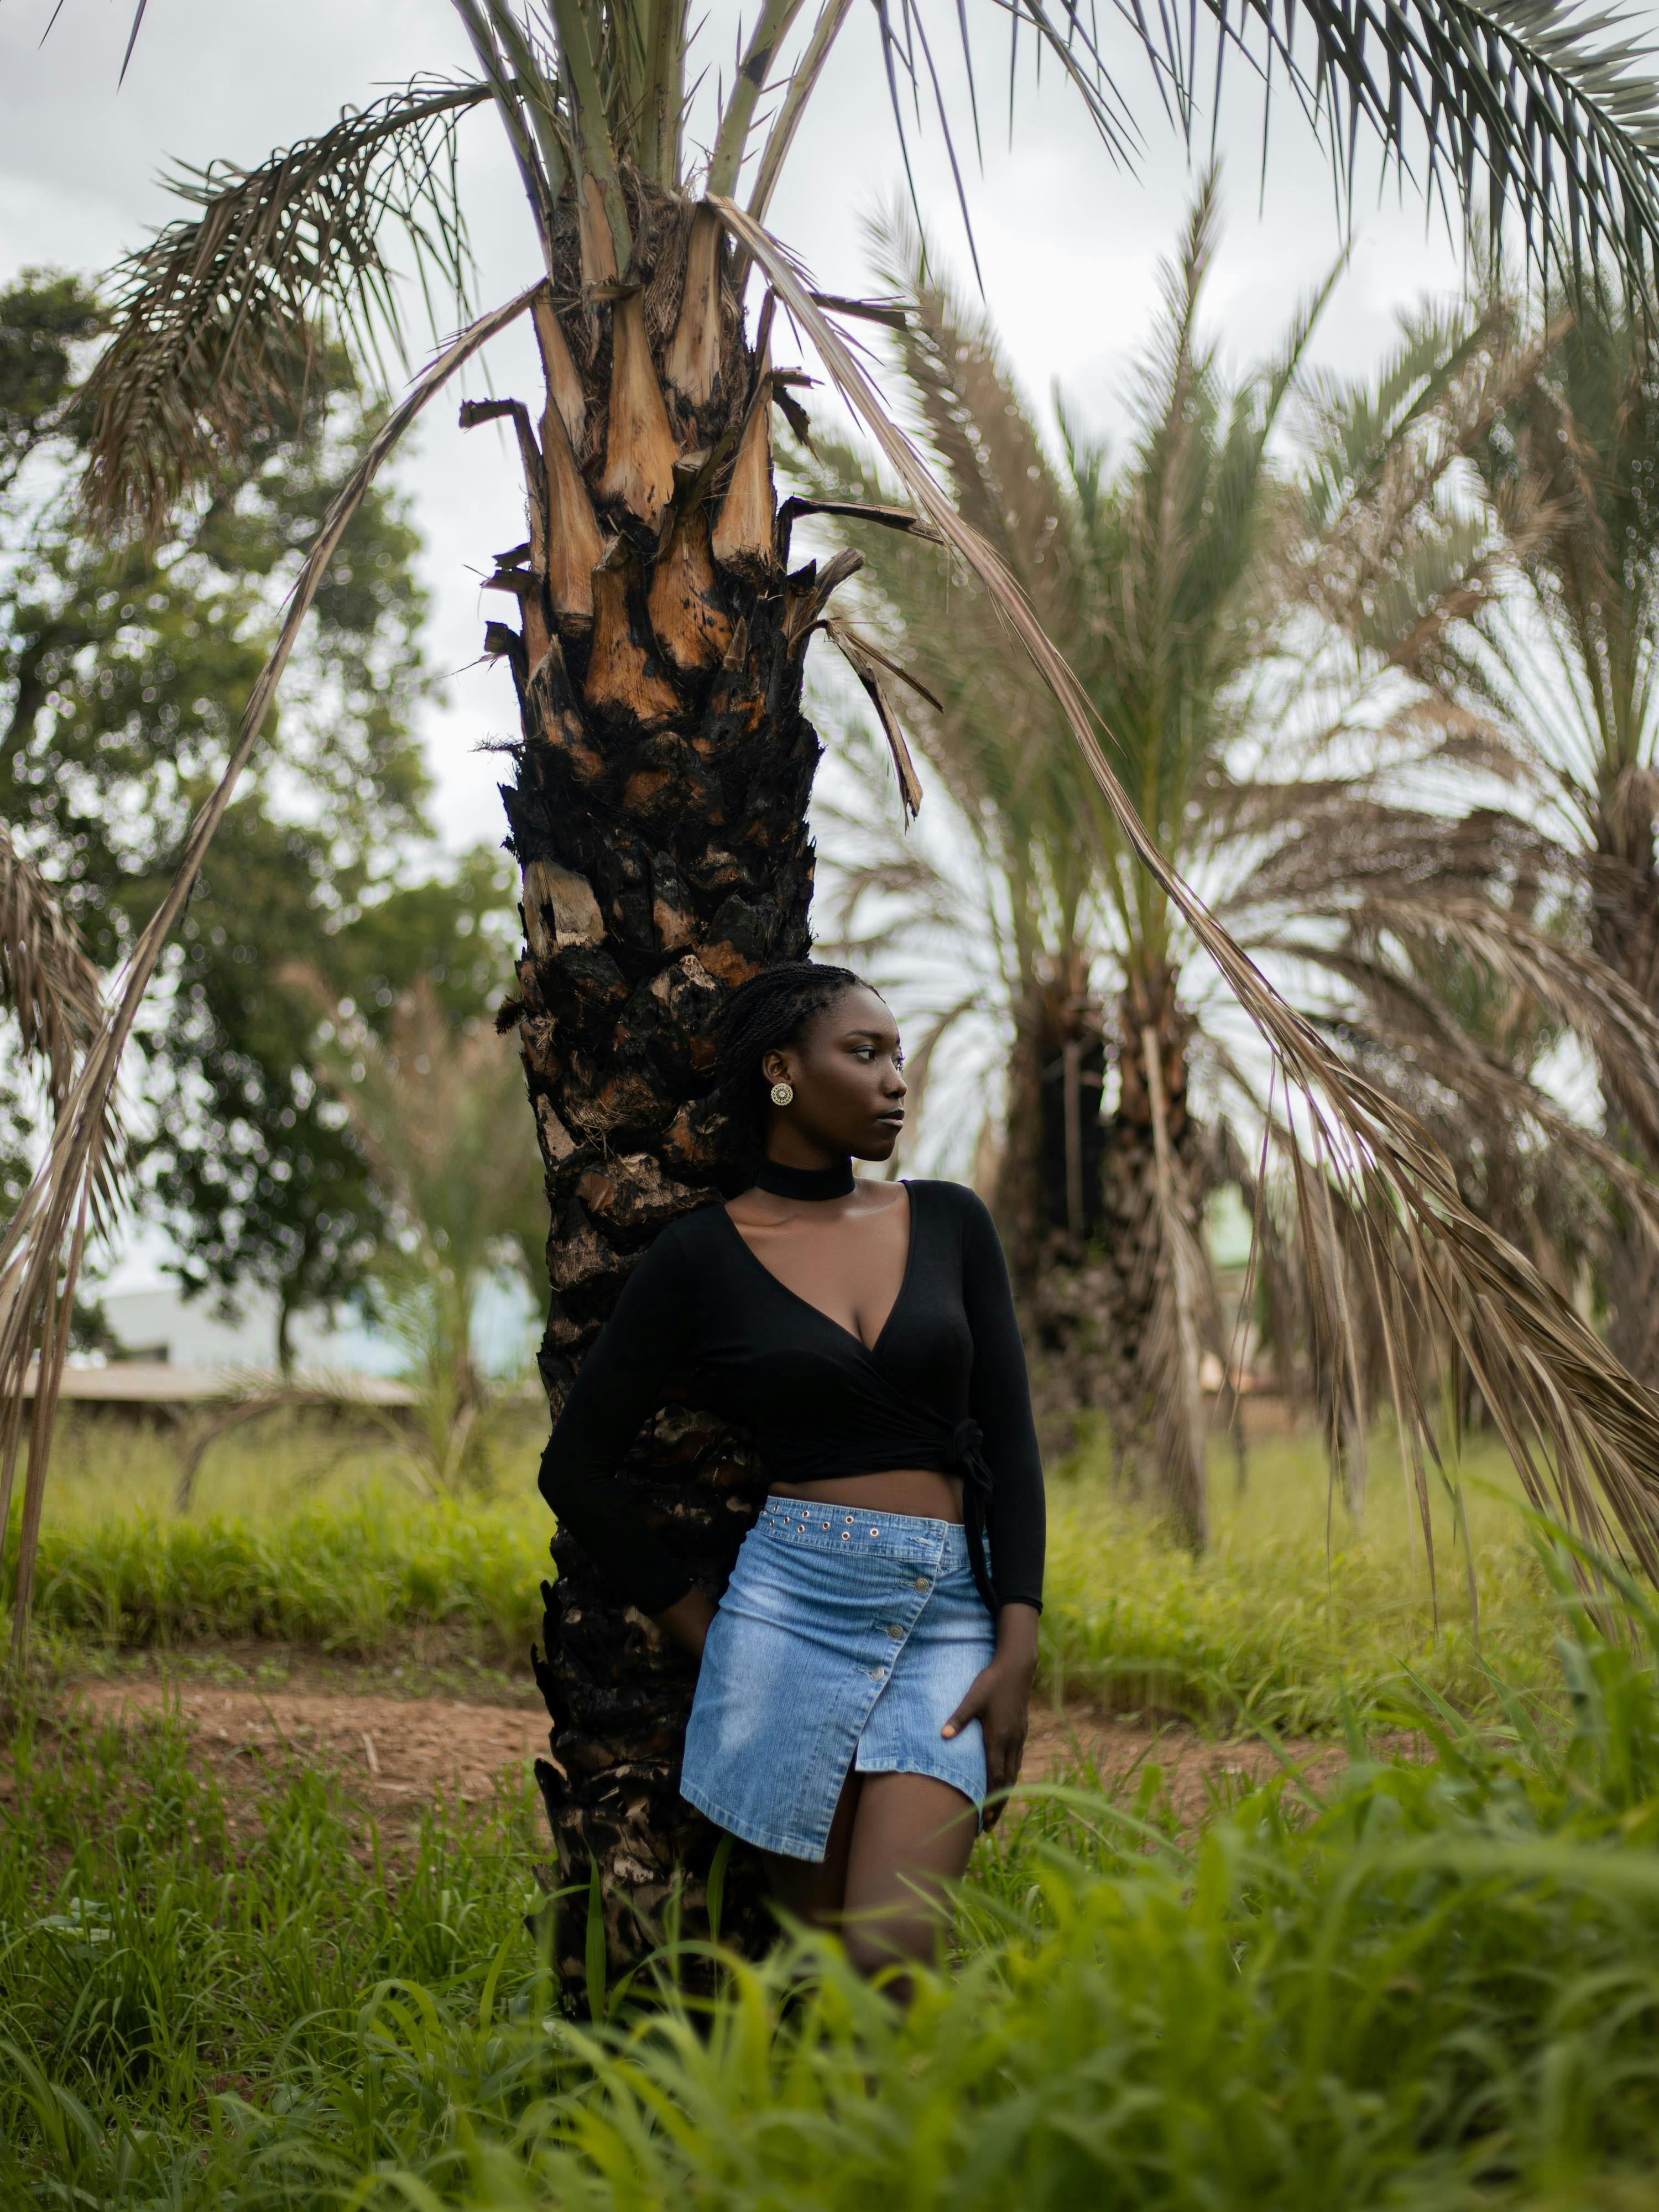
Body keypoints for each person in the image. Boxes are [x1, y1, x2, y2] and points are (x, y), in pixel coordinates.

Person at [538, 961, 1045, 1986]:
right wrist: (711, 1632)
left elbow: (1013, 1441)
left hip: (947, 1617)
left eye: (897, 1056)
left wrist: (1018, 1640)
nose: (895, 1080)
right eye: (864, 1053)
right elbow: (575, 1469)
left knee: (894, 1951)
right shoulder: (699, 1256)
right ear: (782, 1070)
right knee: (827, 1969)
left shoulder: (952, 1222)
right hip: (786, 1622)